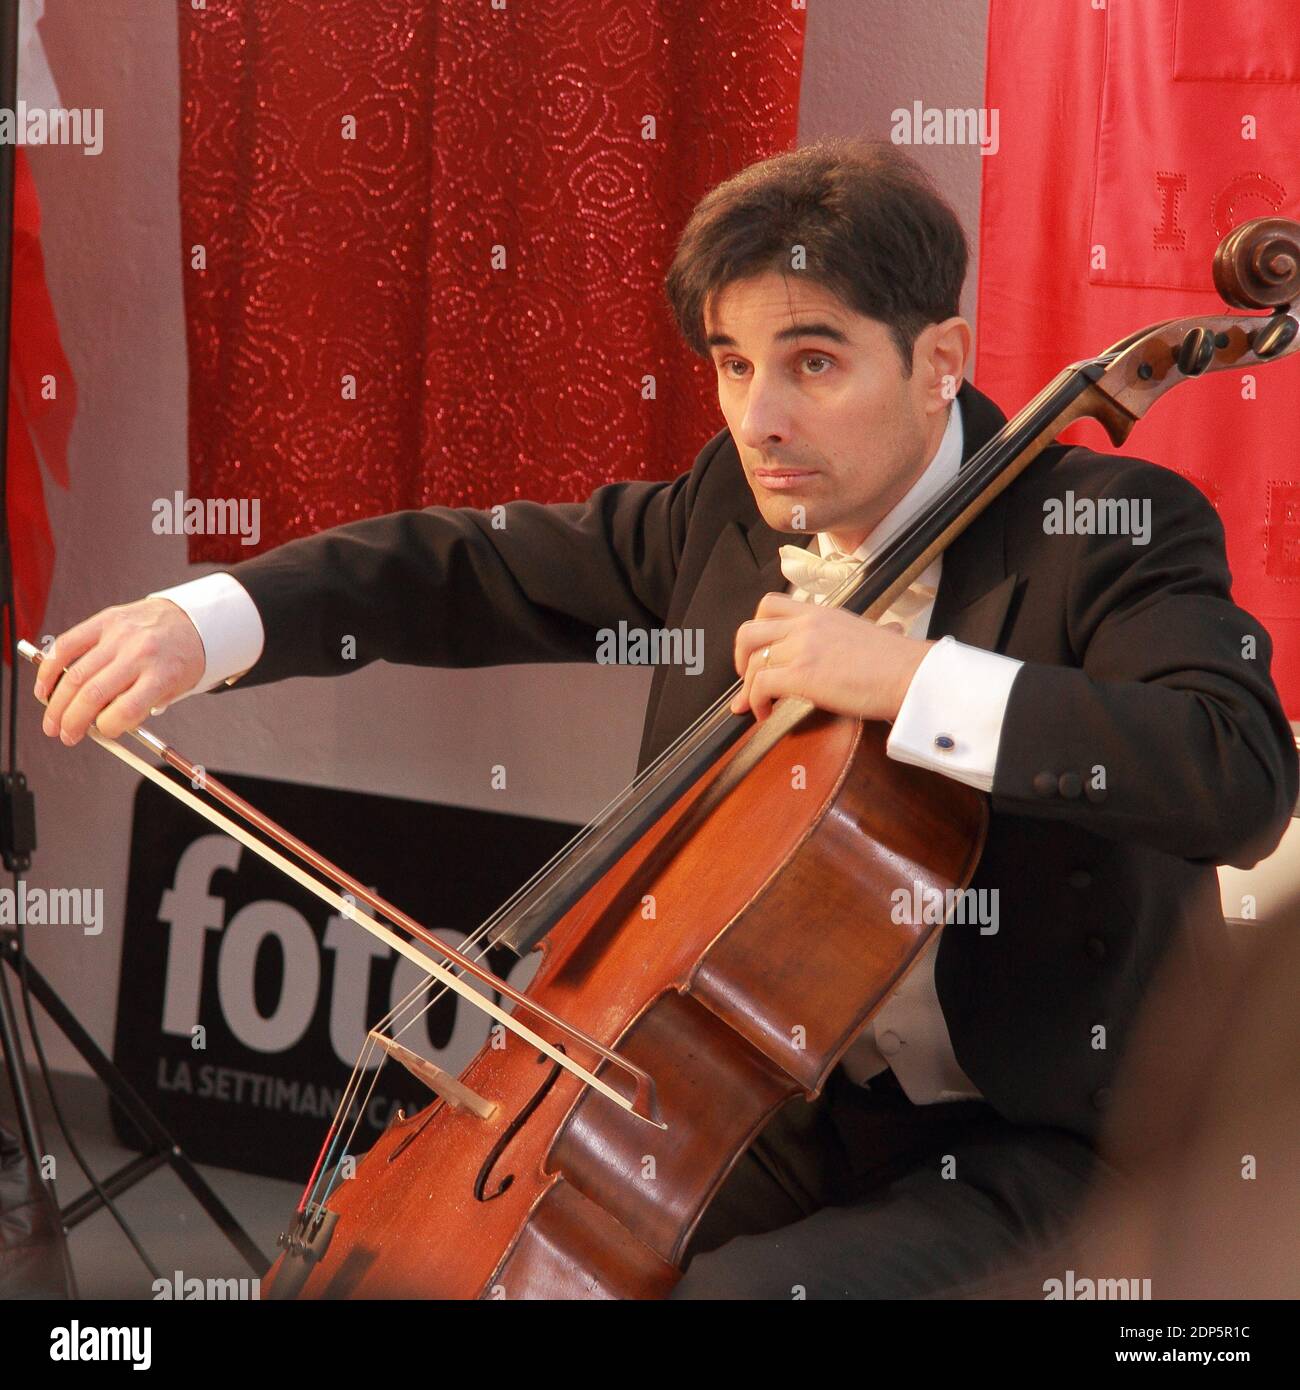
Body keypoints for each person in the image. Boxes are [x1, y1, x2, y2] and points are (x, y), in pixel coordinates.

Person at [34, 140, 1298, 1299]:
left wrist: (910, 682)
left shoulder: (1108, 530)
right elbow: (469, 565)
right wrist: (207, 621)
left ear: (940, 361)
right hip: (768, 1108)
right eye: (732, 365)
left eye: (812, 361)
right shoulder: (730, 513)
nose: (759, 419)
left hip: (1045, 1140)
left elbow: (1236, 774)